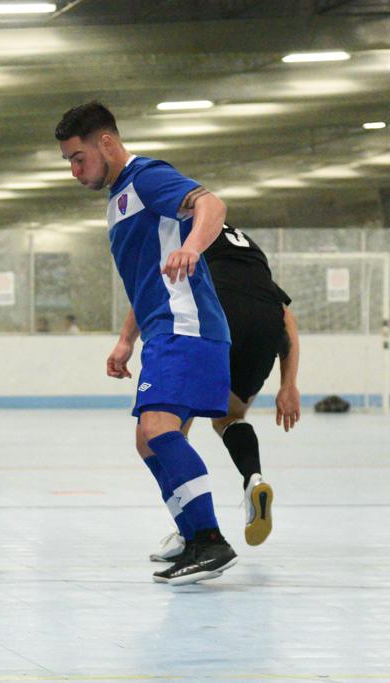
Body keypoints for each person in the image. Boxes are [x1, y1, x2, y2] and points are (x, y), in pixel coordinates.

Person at [56, 102, 237, 586]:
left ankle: (210, 541)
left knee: (158, 429)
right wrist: (124, 340)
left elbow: (211, 204)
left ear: (107, 144)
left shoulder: (147, 178)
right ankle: (190, 534)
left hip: (187, 327)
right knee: (148, 441)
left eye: (79, 158)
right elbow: (146, 279)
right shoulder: (118, 202)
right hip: (162, 330)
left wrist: (193, 246)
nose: (75, 171)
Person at [151, 223, 300, 562]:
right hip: (266, 323)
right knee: (230, 417)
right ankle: (253, 478)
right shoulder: (244, 244)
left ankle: (192, 531)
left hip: (220, 315)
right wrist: (288, 384)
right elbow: (285, 315)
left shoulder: (185, 231)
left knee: (171, 425)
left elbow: (164, 286)